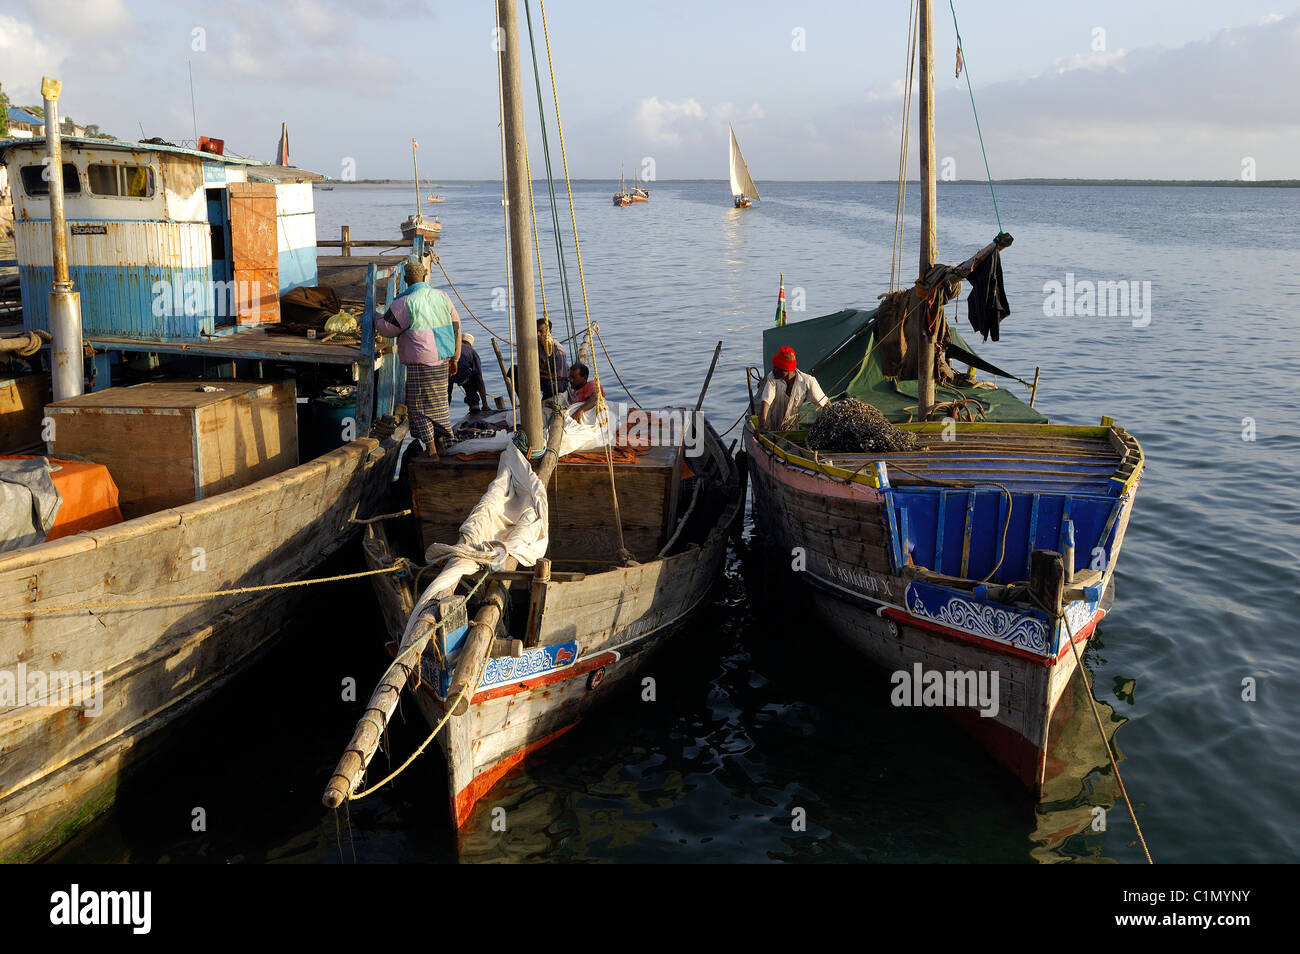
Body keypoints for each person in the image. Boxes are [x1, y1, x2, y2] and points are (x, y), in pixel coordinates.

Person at [374, 260, 461, 456]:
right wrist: (455, 358)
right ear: (424, 277)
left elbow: (387, 328)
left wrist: (375, 317)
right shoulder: (443, 296)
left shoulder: (404, 302)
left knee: (419, 407)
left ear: (406, 280)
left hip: (421, 362)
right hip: (443, 359)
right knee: (439, 405)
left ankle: (431, 451)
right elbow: (456, 327)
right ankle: (441, 446)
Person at [756, 345, 828, 432]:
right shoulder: (773, 377)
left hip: (791, 431)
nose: (774, 370)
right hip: (770, 428)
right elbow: (766, 402)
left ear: (788, 370)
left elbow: (825, 404)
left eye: (778, 368)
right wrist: (761, 426)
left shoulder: (808, 381)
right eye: (774, 366)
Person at [508, 317, 569, 400]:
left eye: (541, 331)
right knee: (514, 370)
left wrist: (536, 375)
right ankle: (524, 401)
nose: (537, 334)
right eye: (536, 331)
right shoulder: (535, 346)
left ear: (549, 332)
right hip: (540, 377)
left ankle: (542, 403)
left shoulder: (558, 350)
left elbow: (560, 376)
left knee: (551, 386)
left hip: (558, 381)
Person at [447, 331, 489, 412]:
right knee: (472, 379)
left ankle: (443, 413)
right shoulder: (472, 351)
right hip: (461, 373)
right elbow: (479, 379)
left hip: (447, 371)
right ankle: (474, 405)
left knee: (447, 394)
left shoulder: (451, 346)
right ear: (469, 344)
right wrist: (485, 405)